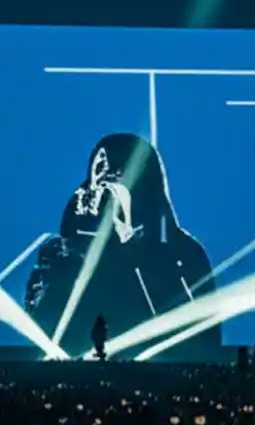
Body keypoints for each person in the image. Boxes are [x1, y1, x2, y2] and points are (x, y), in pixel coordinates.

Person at [24, 133, 216, 356]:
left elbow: (198, 330)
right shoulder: (65, 249)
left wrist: (132, 250)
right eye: (100, 173)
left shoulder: (182, 252)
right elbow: (41, 322)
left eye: (117, 176)